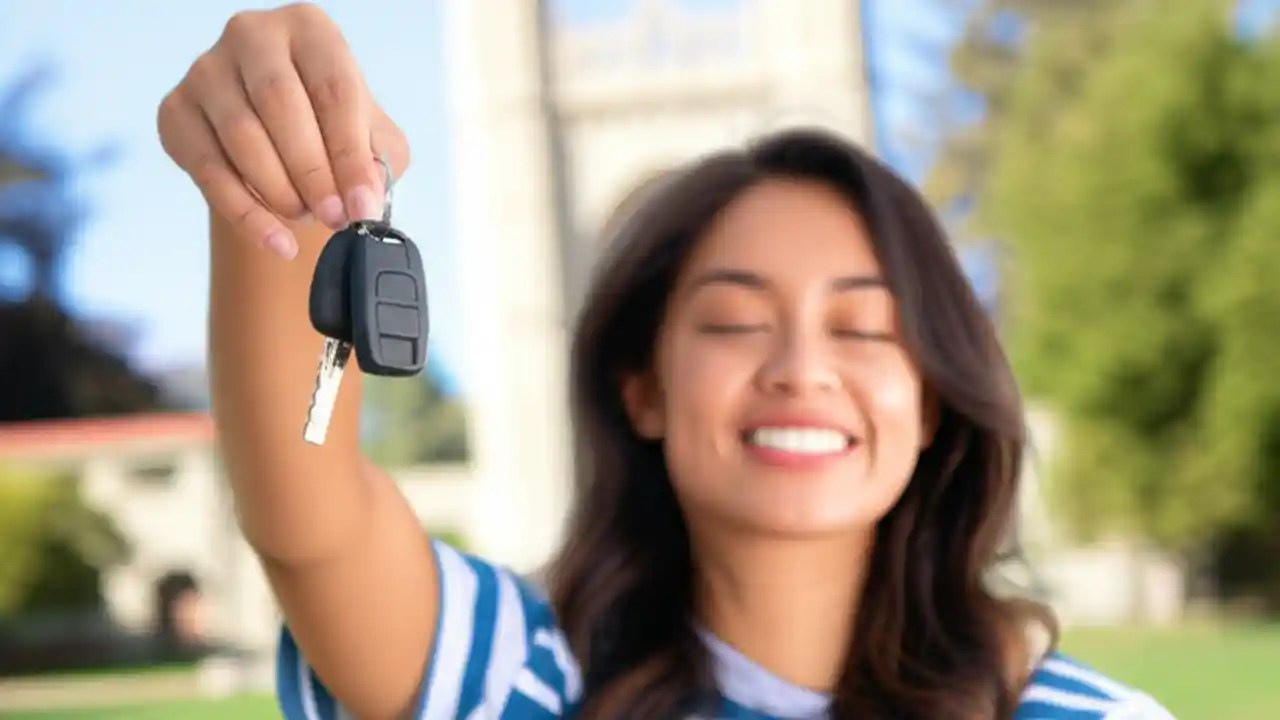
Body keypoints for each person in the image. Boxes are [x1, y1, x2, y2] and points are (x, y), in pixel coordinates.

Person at [156, 5, 1176, 719]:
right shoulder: (515, 681)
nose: (799, 366)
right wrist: (287, 177)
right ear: (639, 385)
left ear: (933, 397)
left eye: (862, 329)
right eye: (733, 322)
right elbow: (308, 520)